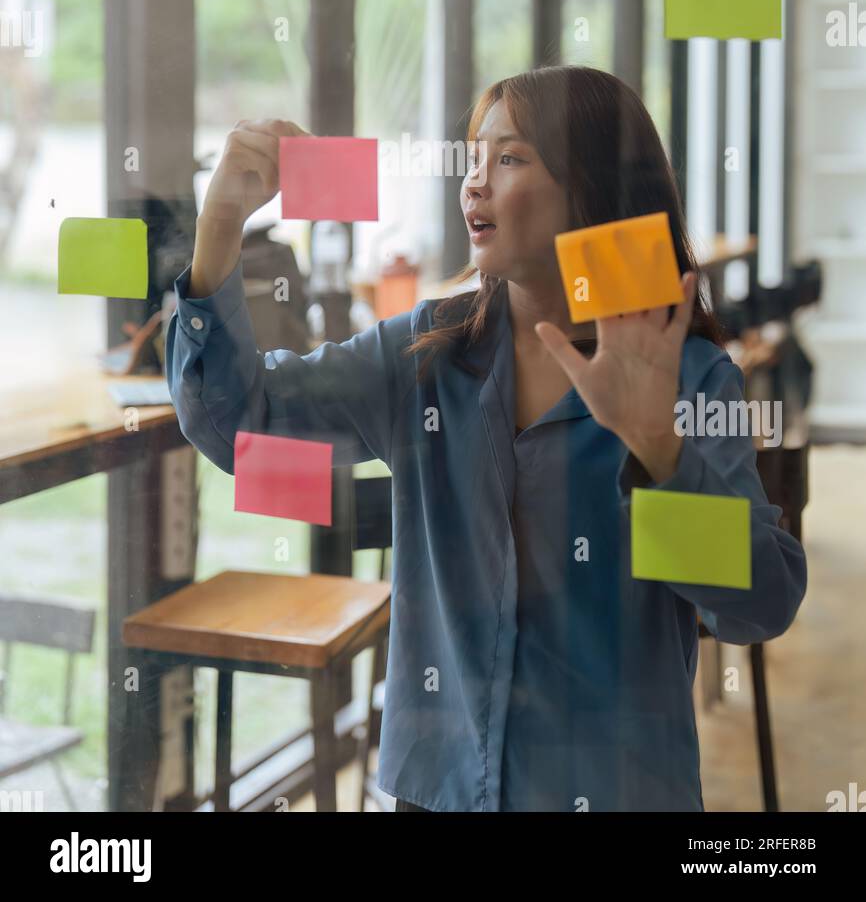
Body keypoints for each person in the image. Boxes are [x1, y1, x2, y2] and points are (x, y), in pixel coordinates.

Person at [166, 65, 807, 812]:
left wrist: (658, 446)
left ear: (592, 187)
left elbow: (759, 606)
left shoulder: (691, 379)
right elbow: (235, 423)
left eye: (508, 158)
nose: (473, 184)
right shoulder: (424, 354)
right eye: (474, 158)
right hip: (437, 792)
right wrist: (219, 229)